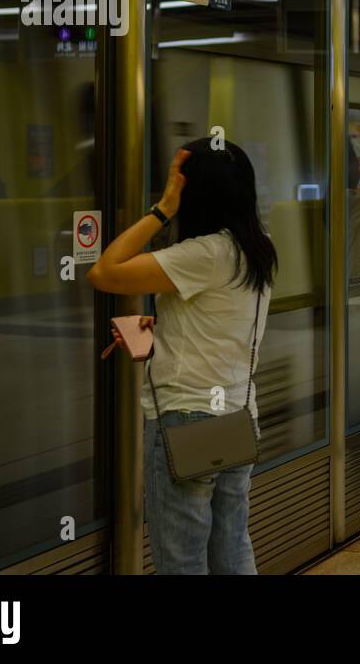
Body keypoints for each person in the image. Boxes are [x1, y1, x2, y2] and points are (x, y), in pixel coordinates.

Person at [88, 138, 276, 574]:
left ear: (195, 193)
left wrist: (162, 209)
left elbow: (104, 271)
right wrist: (169, 327)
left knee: (181, 559)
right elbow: (218, 317)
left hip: (189, 418)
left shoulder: (204, 253)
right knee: (231, 545)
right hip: (238, 413)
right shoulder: (256, 247)